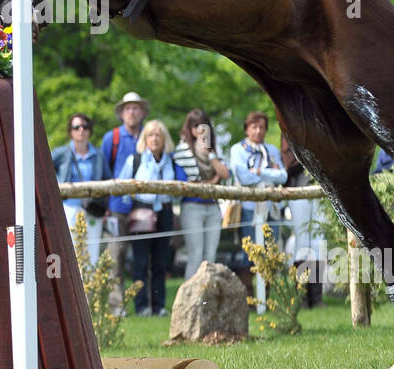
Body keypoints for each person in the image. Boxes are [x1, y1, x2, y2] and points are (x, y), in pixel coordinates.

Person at [120, 119, 186, 316]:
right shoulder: (135, 160)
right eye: (151, 135)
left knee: (160, 262)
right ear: (145, 139)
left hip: (164, 211)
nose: (155, 139)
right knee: (140, 262)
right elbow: (122, 188)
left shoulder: (172, 161)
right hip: (142, 211)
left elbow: (181, 190)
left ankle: (158, 306)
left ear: (164, 139)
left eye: (158, 134)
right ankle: (141, 306)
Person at [228, 111, 288, 284]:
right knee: (249, 252)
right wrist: (271, 174)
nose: (258, 131)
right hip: (248, 207)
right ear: (247, 129)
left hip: (272, 207)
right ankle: (249, 296)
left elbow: (283, 176)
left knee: (271, 251)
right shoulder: (238, 149)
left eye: (262, 127)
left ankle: (266, 295)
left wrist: (261, 172)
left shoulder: (272, 150)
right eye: (254, 127)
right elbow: (243, 178)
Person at [173, 109, 230, 279]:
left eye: (203, 125)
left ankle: (208, 299)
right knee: (195, 255)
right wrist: (212, 183)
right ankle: (189, 300)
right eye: (195, 125)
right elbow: (186, 184)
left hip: (213, 208)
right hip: (192, 207)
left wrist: (211, 156)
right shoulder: (182, 151)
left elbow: (226, 174)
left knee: (210, 257)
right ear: (189, 128)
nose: (200, 129)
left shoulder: (215, 150)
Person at [102, 92, 149, 275]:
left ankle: (144, 303)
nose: (131, 112)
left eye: (135, 108)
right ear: (121, 113)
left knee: (144, 259)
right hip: (116, 208)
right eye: (127, 108)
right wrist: (105, 205)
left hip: (144, 207)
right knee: (115, 258)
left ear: (142, 112)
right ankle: (116, 304)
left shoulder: (150, 136)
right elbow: (103, 174)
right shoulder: (111, 138)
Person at [52, 114, 110, 264]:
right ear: (70, 131)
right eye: (76, 127)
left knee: (92, 252)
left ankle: (89, 287)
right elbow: (43, 169)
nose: (81, 130)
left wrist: (106, 207)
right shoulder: (62, 153)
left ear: (90, 130)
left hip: (92, 209)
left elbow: (107, 180)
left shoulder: (98, 155)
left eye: (85, 126)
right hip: (69, 207)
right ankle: (71, 287)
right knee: (70, 251)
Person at [281, 136, 327, 308]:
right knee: (302, 242)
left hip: (321, 187)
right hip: (298, 187)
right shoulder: (291, 125)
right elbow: (290, 159)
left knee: (318, 242)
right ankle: (300, 296)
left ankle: (316, 298)